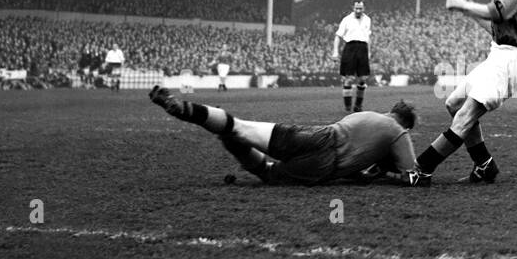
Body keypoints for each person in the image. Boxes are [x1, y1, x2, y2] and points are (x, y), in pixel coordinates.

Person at [416, 0, 517, 184]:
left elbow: (496, 12)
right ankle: (485, 165)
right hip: (499, 55)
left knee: (464, 116)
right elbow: (495, 26)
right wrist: (467, 11)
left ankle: (421, 170)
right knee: (454, 103)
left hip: (508, 61)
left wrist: (464, 4)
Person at [149, 85, 422, 186]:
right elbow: (414, 176)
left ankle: (190, 109)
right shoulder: (399, 132)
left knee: (238, 127)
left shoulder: (366, 116)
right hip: (327, 166)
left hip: (318, 135)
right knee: (267, 173)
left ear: (390, 110)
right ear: (405, 124)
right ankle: (228, 137)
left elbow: (356, 150)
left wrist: (361, 175)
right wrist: (390, 174)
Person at [333, 0, 371, 112]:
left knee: (363, 78)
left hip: (363, 48)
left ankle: (358, 106)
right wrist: (335, 52)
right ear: (353, 8)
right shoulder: (346, 20)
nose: (358, 10)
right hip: (350, 47)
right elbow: (338, 36)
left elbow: (368, 37)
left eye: (360, 8)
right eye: (356, 8)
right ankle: (348, 107)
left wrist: (369, 52)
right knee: (349, 78)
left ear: (364, 8)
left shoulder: (368, 20)